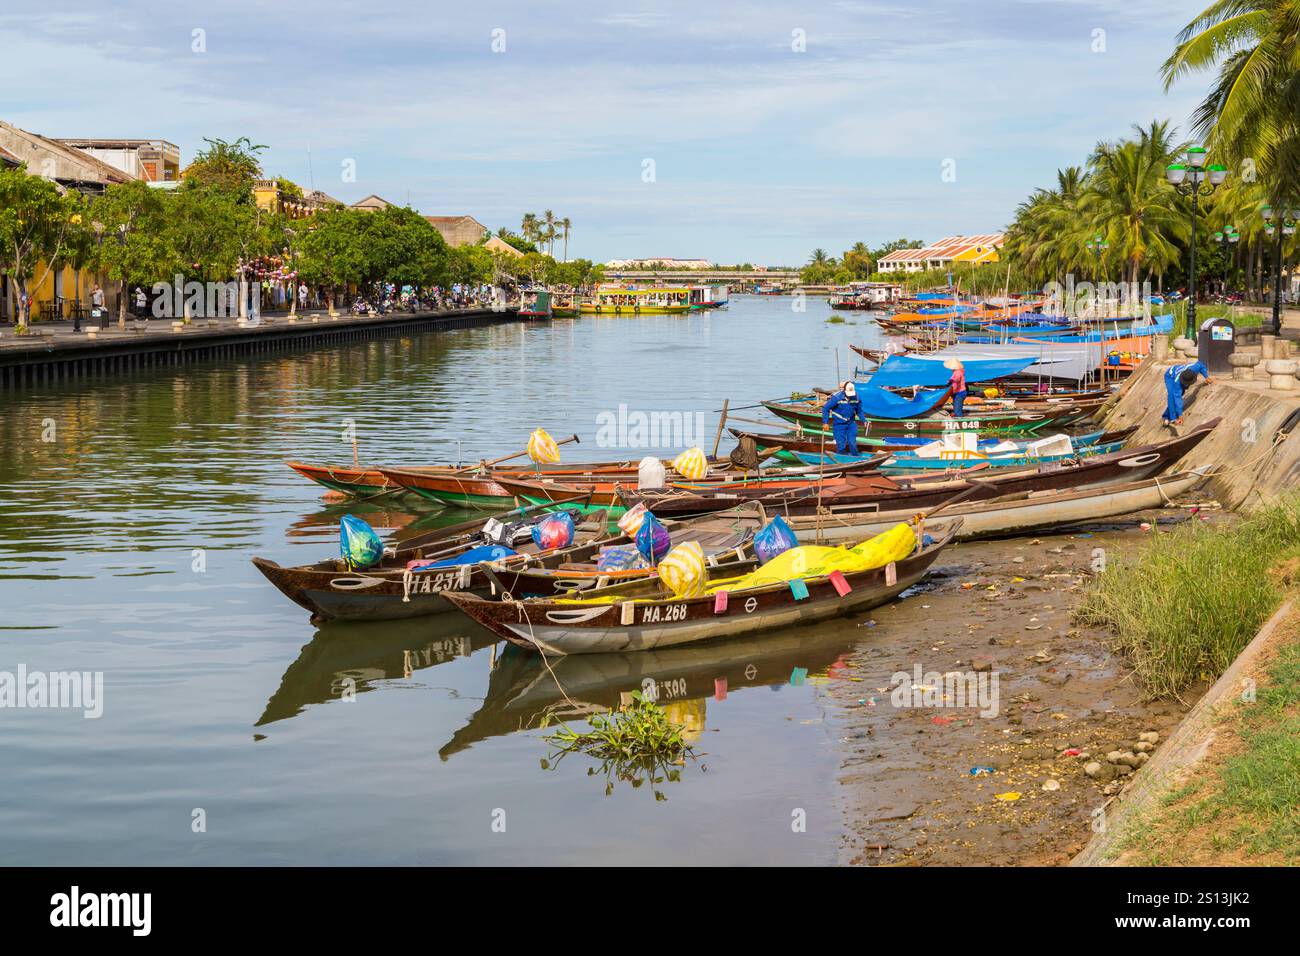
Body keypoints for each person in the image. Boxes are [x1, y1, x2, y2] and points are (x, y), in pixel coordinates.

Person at [1162, 359, 1210, 425]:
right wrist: (1180, 415)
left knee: (1181, 393)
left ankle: (1167, 415)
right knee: (1171, 396)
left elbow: (1201, 365)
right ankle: (1171, 418)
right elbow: (1177, 399)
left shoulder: (1195, 368)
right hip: (1170, 376)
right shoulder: (1177, 382)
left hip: (1178, 373)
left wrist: (1206, 377)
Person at [822, 381, 864, 455]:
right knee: (841, 446)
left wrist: (864, 420)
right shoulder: (837, 397)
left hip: (851, 424)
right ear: (844, 390)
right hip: (839, 425)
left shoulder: (857, 397)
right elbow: (825, 408)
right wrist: (825, 422)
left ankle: (855, 458)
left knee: (852, 443)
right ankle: (842, 458)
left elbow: (859, 411)